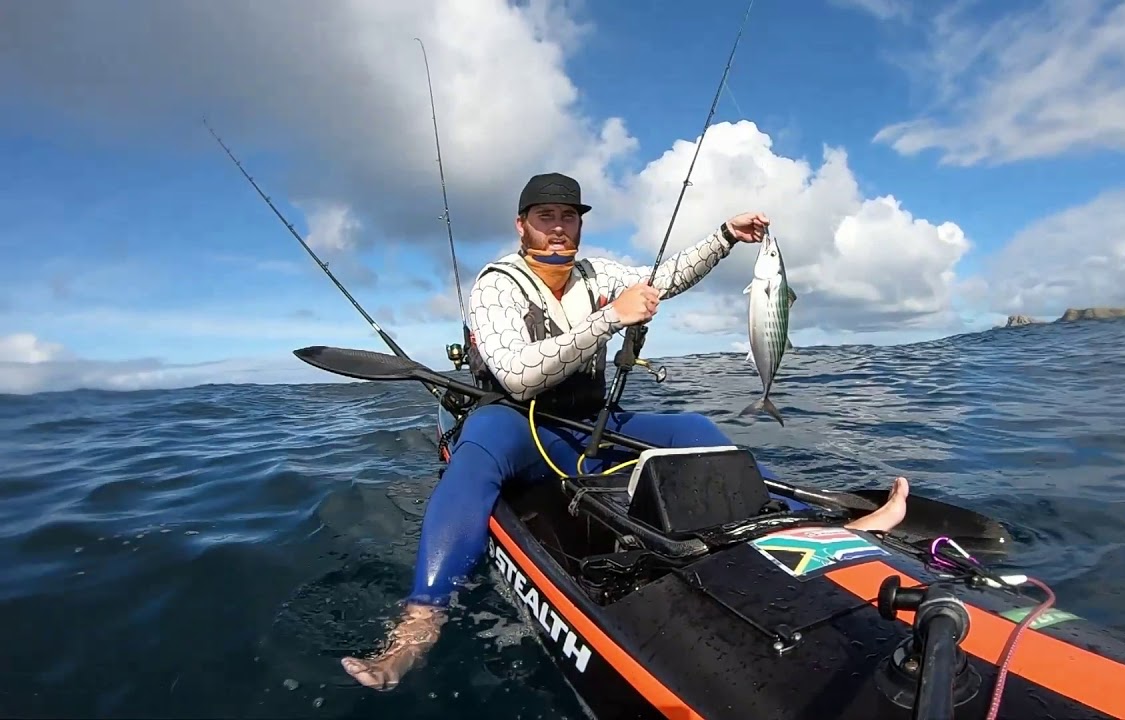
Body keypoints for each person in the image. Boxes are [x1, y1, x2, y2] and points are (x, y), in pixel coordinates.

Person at [340, 172, 909, 690]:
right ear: (522, 226)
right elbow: (515, 374)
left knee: (697, 429)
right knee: (473, 459)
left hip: (589, 424)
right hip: (514, 422)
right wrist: (611, 317)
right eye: (545, 217)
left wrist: (724, 236)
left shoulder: (598, 272)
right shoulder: (495, 286)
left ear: (580, 225)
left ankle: (826, 520)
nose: (558, 228)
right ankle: (419, 624)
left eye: (569, 217)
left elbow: (663, 278)